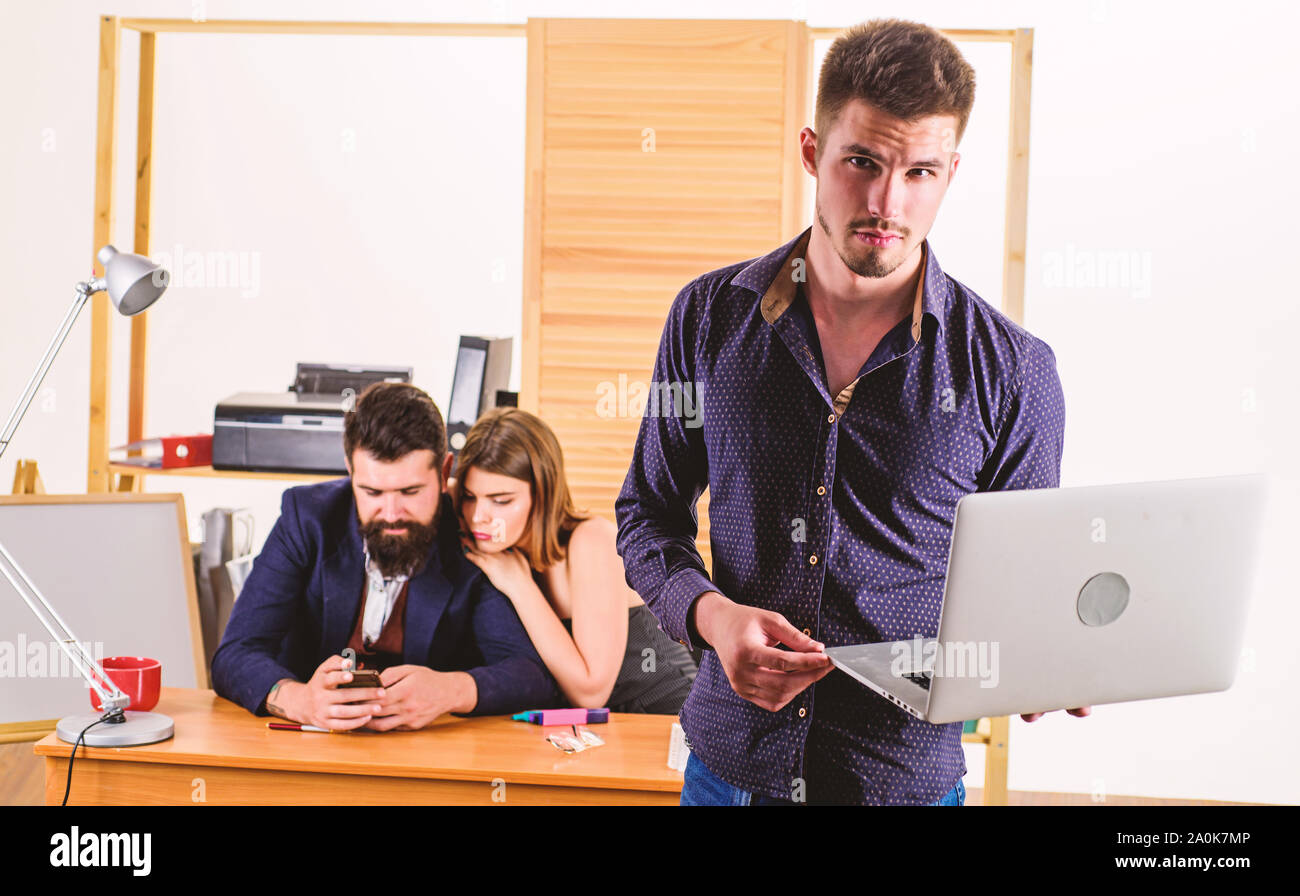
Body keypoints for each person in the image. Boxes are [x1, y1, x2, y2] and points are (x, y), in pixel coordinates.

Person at [615, 18, 1088, 806]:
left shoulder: (1016, 372)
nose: (884, 202)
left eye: (920, 174)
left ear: (951, 172)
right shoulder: (706, 318)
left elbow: (1021, 598)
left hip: (900, 783)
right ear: (812, 152)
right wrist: (711, 616)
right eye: (861, 162)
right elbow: (646, 514)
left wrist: (1036, 662)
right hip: (727, 774)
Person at [211, 383, 559, 731]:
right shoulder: (306, 518)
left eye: (410, 492)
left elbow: (530, 675)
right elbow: (234, 655)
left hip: (429, 761)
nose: (391, 513)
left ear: (443, 473)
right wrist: (298, 700)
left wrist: (452, 691)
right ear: (351, 471)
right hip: (311, 750)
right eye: (372, 492)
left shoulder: (468, 532)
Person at [454, 407, 697, 714]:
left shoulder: (590, 541)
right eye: (468, 496)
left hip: (663, 716)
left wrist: (518, 585)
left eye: (501, 501)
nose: (479, 517)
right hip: (587, 731)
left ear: (543, 494)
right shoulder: (495, 539)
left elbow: (590, 693)